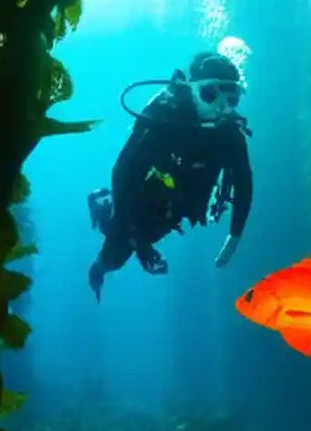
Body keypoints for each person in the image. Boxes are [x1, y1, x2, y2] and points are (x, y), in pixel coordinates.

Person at [87, 51, 254, 301]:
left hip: (177, 201)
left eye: (231, 100)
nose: (221, 108)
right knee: (117, 254)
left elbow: (243, 181)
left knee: (152, 234)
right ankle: (101, 215)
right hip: (139, 195)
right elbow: (122, 172)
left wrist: (235, 235)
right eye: (210, 95)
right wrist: (135, 241)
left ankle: (125, 230)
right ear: (193, 90)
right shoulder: (164, 115)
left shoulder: (229, 133)